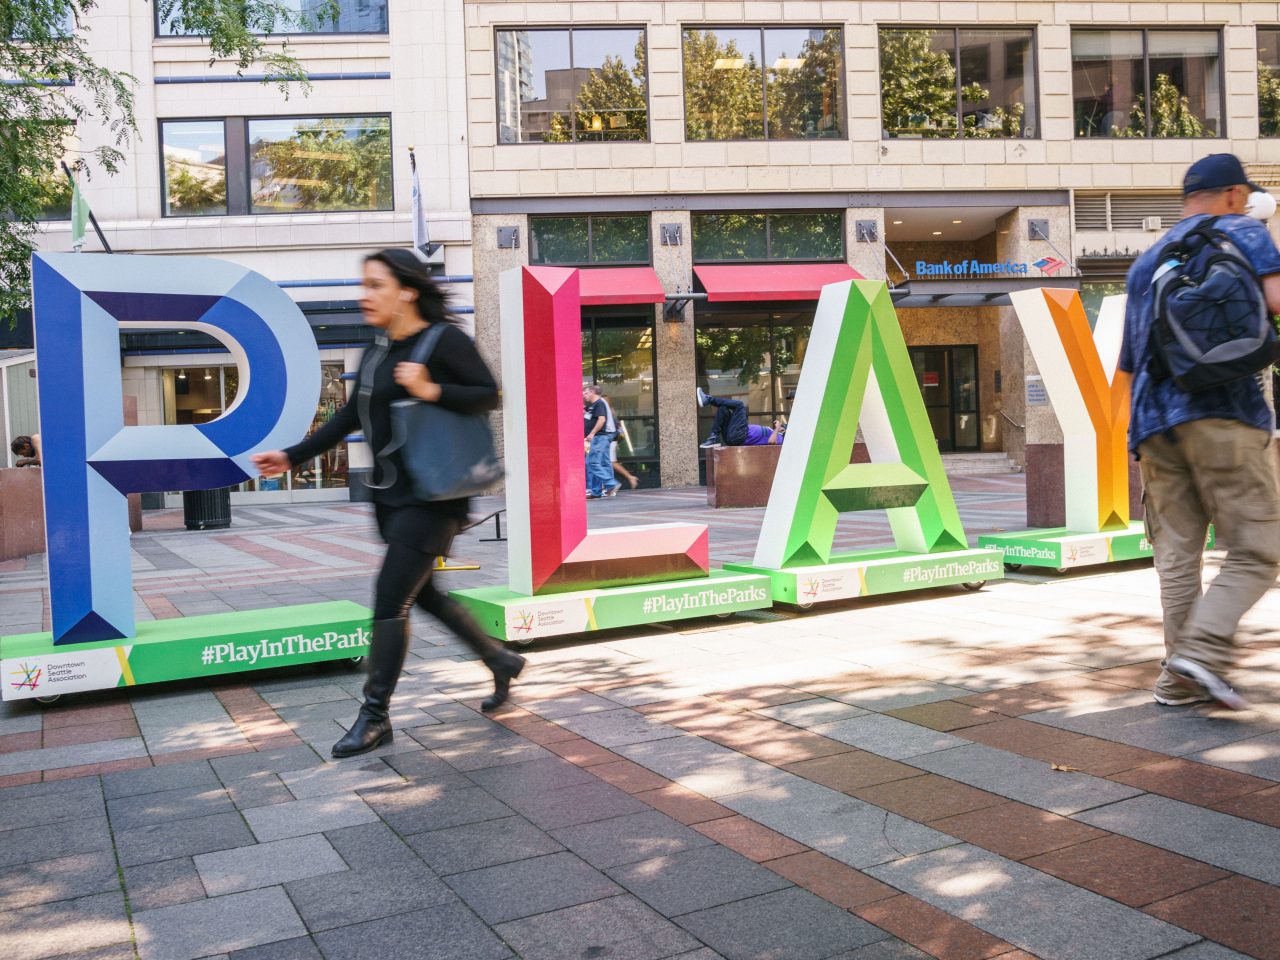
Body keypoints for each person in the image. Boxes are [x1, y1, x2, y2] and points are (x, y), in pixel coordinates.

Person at [252, 248, 526, 758]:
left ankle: (374, 715)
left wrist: (431, 388)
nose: (365, 295)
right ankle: (500, 660)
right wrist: (292, 455)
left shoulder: (443, 340)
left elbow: (488, 393)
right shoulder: (377, 349)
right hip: (393, 493)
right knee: (423, 595)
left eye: (376, 285)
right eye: (365, 285)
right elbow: (350, 417)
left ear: (408, 290)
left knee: (389, 596)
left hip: (436, 494)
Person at [1120, 153, 1280, 710]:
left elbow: (1128, 362)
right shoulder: (1242, 231)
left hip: (1153, 426)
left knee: (1179, 557)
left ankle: (1177, 681)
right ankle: (1205, 653)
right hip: (1223, 412)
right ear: (1235, 193)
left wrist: (1130, 437)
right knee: (1260, 548)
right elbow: (1275, 300)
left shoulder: (1145, 263)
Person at [697, 388, 785, 448]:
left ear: (783, 430)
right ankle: (713, 437)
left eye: (782, 426)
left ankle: (709, 400)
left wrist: (777, 428)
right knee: (723, 408)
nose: (780, 425)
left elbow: (771, 442)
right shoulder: (775, 433)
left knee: (739, 405)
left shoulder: (780, 437)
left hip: (740, 436)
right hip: (733, 436)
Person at [583, 383, 620, 498]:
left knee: (592, 462)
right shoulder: (593, 405)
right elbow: (589, 419)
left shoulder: (599, 403)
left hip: (601, 436)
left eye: (587, 393)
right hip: (598, 437)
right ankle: (596, 491)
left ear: (593, 393)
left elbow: (601, 420)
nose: (585, 395)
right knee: (599, 463)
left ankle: (611, 484)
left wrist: (592, 433)